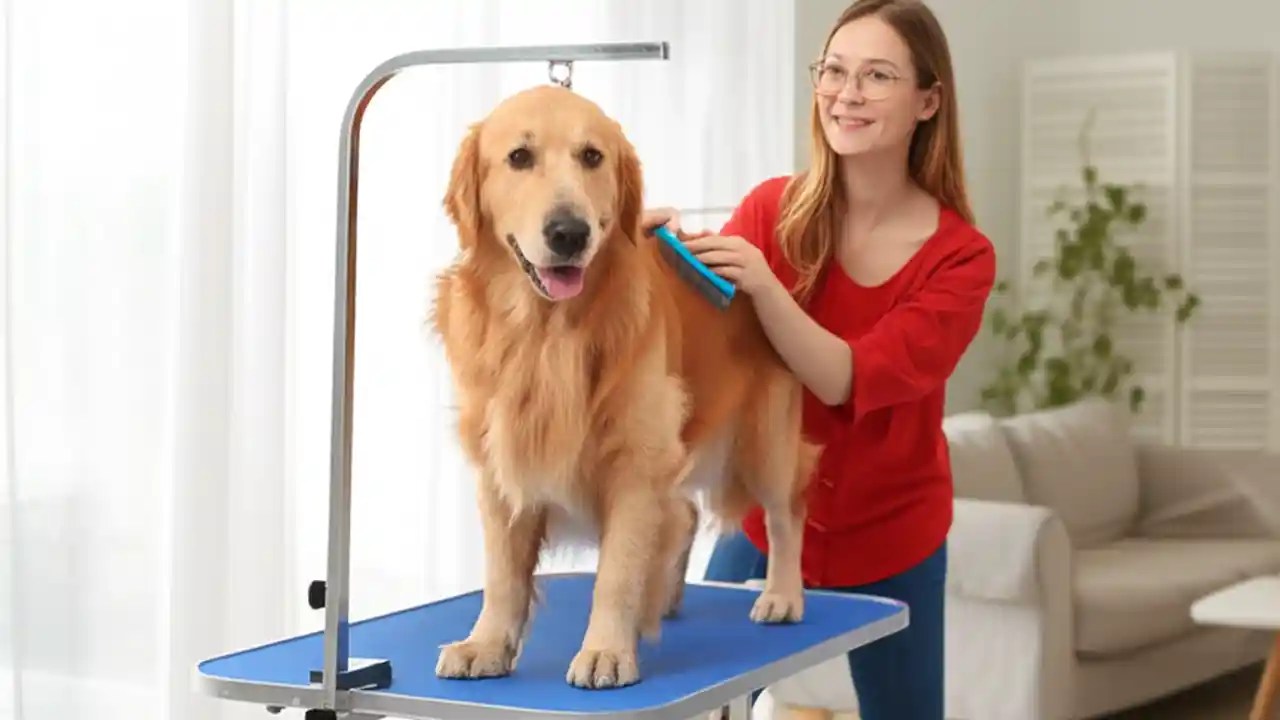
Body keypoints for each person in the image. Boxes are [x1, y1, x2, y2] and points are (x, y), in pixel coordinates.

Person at [641, 1, 995, 718]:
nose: (846, 92)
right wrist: (652, 247)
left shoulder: (961, 259)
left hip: (893, 541)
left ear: (929, 101)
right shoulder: (771, 211)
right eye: (834, 70)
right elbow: (708, 325)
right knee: (696, 706)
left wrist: (765, 285)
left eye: (876, 76)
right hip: (761, 525)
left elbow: (846, 377)